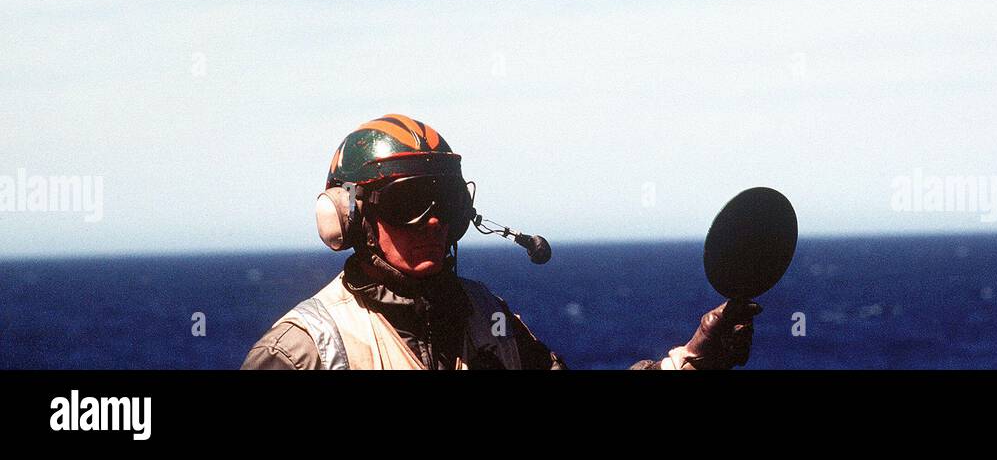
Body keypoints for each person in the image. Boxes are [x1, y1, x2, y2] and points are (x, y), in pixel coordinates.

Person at [241, 114, 760, 370]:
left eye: (445, 202)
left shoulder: (486, 319)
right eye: (407, 204)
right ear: (350, 219)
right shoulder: (303, 351)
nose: (432, 223)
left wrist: (692, 359)